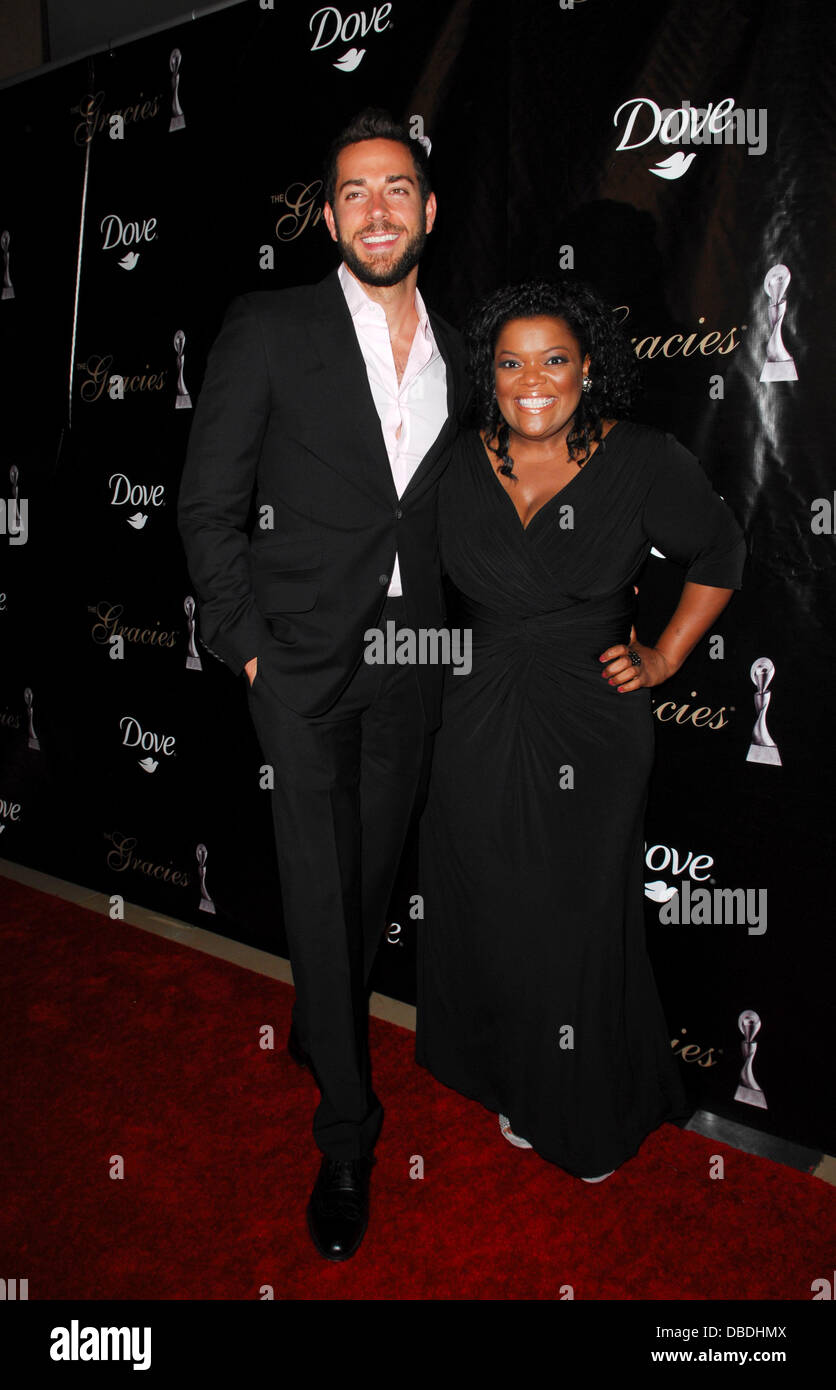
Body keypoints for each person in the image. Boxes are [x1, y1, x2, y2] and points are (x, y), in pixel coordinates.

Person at [177, 109, 468, 1260]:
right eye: (354, 193)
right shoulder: (269, 327)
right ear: (329, 214)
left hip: (413, 662)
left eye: (396, 189)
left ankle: (321, 1018)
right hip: (297, 661)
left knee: (369, 876)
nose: (377, 210)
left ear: (427, 209)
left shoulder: (465, 343)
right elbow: (207, 504)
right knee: (315, 878)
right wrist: (246, 645)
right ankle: (345, 1131)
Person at [416, 279, 746, 1181]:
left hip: (591, 722)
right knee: (493, 908)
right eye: (510, 361)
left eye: (554, 360)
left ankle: (590, 1115)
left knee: (577, 917)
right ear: (487, 373)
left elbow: (720, 551)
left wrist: (668, 657)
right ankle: (517, 1078)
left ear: (587, 368)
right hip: (474, 717)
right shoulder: (450, 460)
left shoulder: (641, 459)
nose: (532, 381)